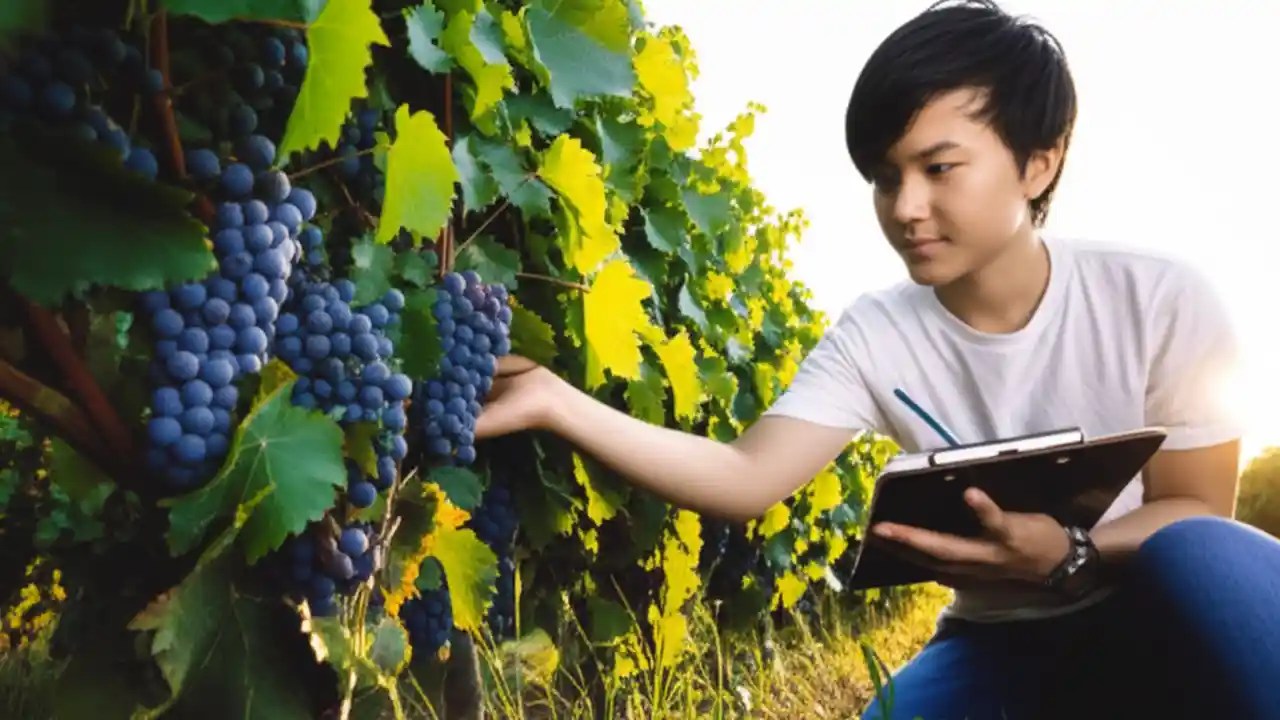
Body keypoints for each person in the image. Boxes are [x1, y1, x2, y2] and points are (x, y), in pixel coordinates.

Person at [474, 1, 1280, 717]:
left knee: (1209, 560)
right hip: (993, 641)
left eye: (939, 168)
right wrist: (557, 401)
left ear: (1040, 161)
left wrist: (1071, 553)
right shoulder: (875, 335)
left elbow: (1198, 514)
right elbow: (745, 476)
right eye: (884, 177)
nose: (906, 209)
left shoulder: (1160, 298)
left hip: (1144, 612)